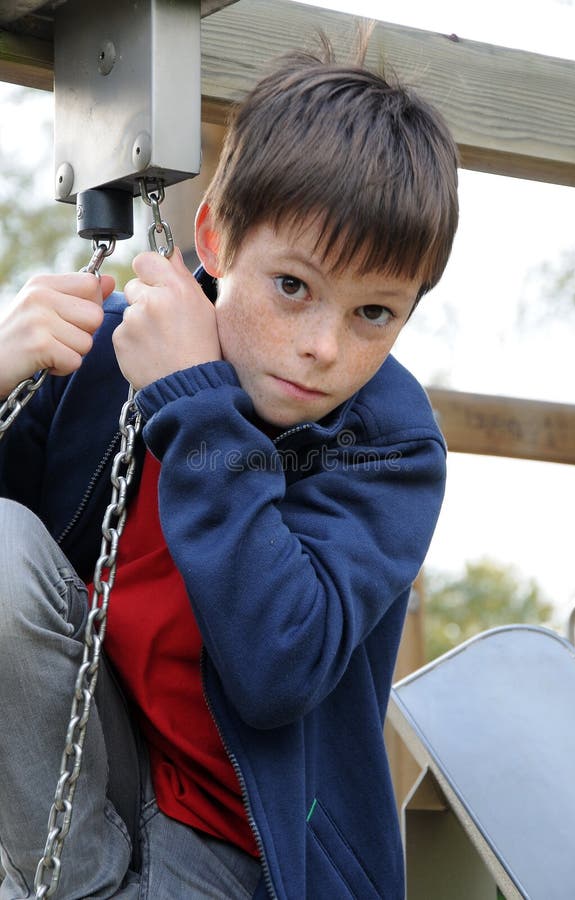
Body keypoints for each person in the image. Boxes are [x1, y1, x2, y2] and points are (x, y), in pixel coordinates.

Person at [0, 33, 459, 900]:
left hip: (254, 847)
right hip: (97, 775)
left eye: (374, 312)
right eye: (293, 286)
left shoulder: (390, 446)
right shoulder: (114, 353)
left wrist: (195, 403)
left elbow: (279, 663)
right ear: (215, 238)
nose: (323, 346)